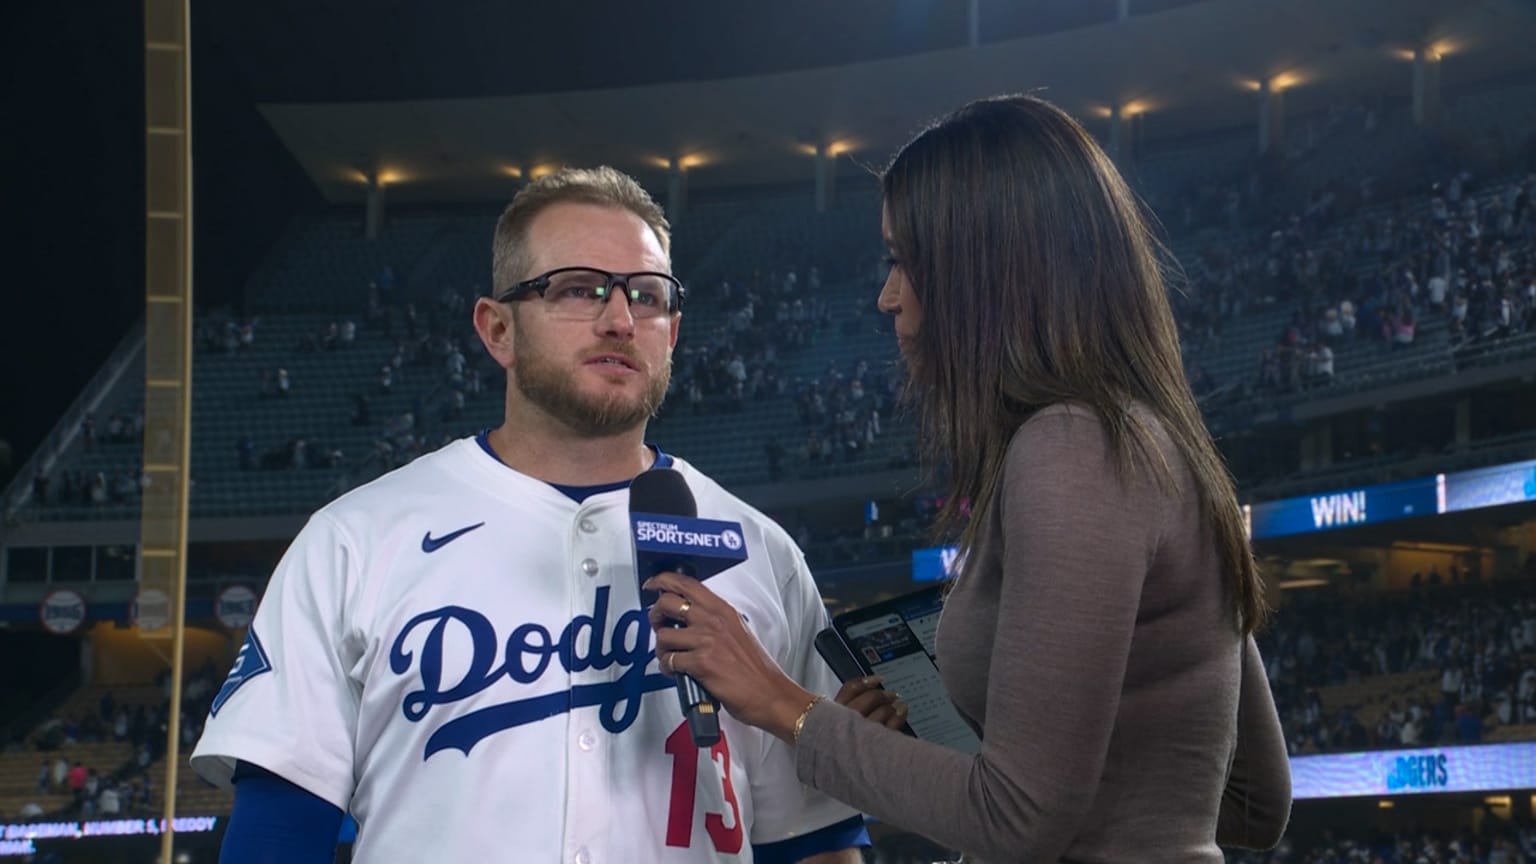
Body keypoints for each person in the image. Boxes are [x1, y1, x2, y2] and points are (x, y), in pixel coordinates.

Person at [644, 95, 1293, 862]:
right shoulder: (1149, 440)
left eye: (901, 260)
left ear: (983, 266)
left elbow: (1018, 822)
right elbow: (1255, 800)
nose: (887, 296)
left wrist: (785, 705)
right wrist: (896, 752)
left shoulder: (1071, 448)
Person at [191, 166, 872, 862]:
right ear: (498, 329)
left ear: (671, 333)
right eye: (579, 289)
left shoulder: (764, 553)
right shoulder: (354, 540)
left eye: (647, 295)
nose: (619, 319)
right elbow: (277, 833)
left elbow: (815, 837)